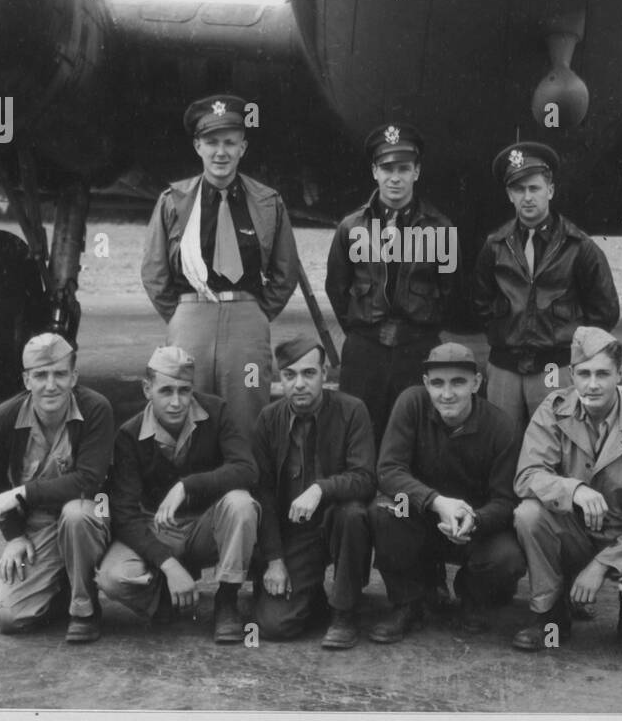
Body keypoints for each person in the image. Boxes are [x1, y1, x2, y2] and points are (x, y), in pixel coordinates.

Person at [141, 93, 300, 439]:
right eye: (212, 142)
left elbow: (286, 272)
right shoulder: (174, 202)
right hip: (190, 319)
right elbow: (154, 273)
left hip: (247, 323)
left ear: (243, 147)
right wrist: (183, 315)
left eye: (230, 142)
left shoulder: (268, 202)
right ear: (198, 146)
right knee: (186, 413)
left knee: (247, 416)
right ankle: (192, 491)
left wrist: (255, 314)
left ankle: (244, 490)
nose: (221, 152)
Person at [511, 326, 622, 651]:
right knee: (528, 514)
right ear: (571, 374)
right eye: (583, 373)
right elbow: (527, 476)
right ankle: (551, 612)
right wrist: (573, 490)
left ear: (620, 374)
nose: (593, 384)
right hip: (577, 533)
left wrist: (600, 566)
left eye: (603, 373)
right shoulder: (553, 410)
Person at [95, 346, 259, 644]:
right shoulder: (129, 435)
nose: (176, 402)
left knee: (241, 504)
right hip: (158, 530)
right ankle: (166, 598)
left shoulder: (216, 411)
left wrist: (187, 485)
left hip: (205, 527)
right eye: (166, 390)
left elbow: (247, 469)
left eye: (184, 391)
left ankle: (227, 599)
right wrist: (168, 564)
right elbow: (124, 514)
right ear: (147, 389)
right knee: (112, 577)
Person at [367, 343, 526, 643]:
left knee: (509, 556)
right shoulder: (411, 403)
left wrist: (475, 519)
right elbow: (388, 469)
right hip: (423, 517)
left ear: (477, 383)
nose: (447, 393)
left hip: (473, 528)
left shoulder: (502, 427)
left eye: (458, 382)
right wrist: (436, 502)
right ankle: (409, 602)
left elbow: (506, 500)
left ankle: (473, 599)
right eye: (437, 383)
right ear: (426, 384)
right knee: (384, 511)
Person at [473, 141, 620, 433]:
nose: (527, 197)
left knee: (559, 443)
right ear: (509, 195)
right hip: (505, 367)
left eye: (534, 188)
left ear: (550, 191)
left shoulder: (579, 247)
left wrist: (571, 347)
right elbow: (480, 302)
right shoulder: (494, 246)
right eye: (519, 190)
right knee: (503, 446)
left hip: (556, 366)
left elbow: (605, 311)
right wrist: (506, 333)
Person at [325, 122, 458, 441]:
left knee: (416, 432)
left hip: (416, 349)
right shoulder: (351, 227)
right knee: (358, 431)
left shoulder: (441, 229)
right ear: (374, 171)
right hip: (365, 350)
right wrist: (363, 328)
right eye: (387, 168)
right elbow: (336, 287)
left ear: (417, 171)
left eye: (403, 168)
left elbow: (451, 291)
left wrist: (419, 329)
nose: (395, 177)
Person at [0, 333, 114, 644]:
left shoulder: (96, 410)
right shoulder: (2, 420)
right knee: (6, 616)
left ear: (74, 377)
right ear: (26, 380)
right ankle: (63, 589)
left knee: (76, 513)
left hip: (93, 519)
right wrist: (13, 536)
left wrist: (23, 493)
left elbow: (88, 481)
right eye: (40, 375)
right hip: (41, 526)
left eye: (60, 374)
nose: (50, 385)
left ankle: (86, 608)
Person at [250, 335, 376, 648]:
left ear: (325, 375)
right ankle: (312, 597)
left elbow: (365, 477)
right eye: (289, 375)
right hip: (296, 534)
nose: (300, 384)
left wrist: (321, 489)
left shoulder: (352, 410)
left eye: (309, 373)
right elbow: (262, 492)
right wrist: (275, 560)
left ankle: (344, 613)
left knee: (353, 513)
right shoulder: (268, 419)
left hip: (338, 522)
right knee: (275, 625)